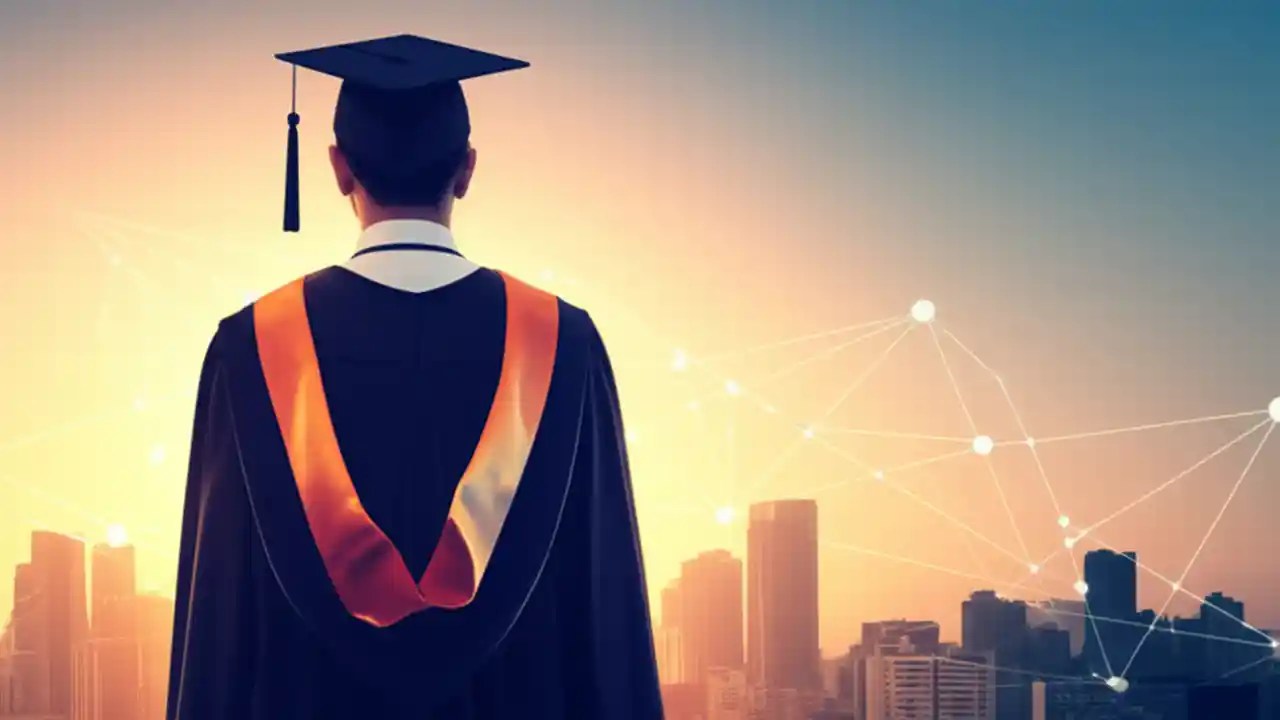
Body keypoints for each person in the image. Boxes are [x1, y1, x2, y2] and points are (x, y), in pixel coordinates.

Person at [166, 34, 662, 719]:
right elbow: (605, 620)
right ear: (466, 170)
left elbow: (219, 631)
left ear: (339, 169)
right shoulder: (562, 345)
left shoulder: (251, 350)